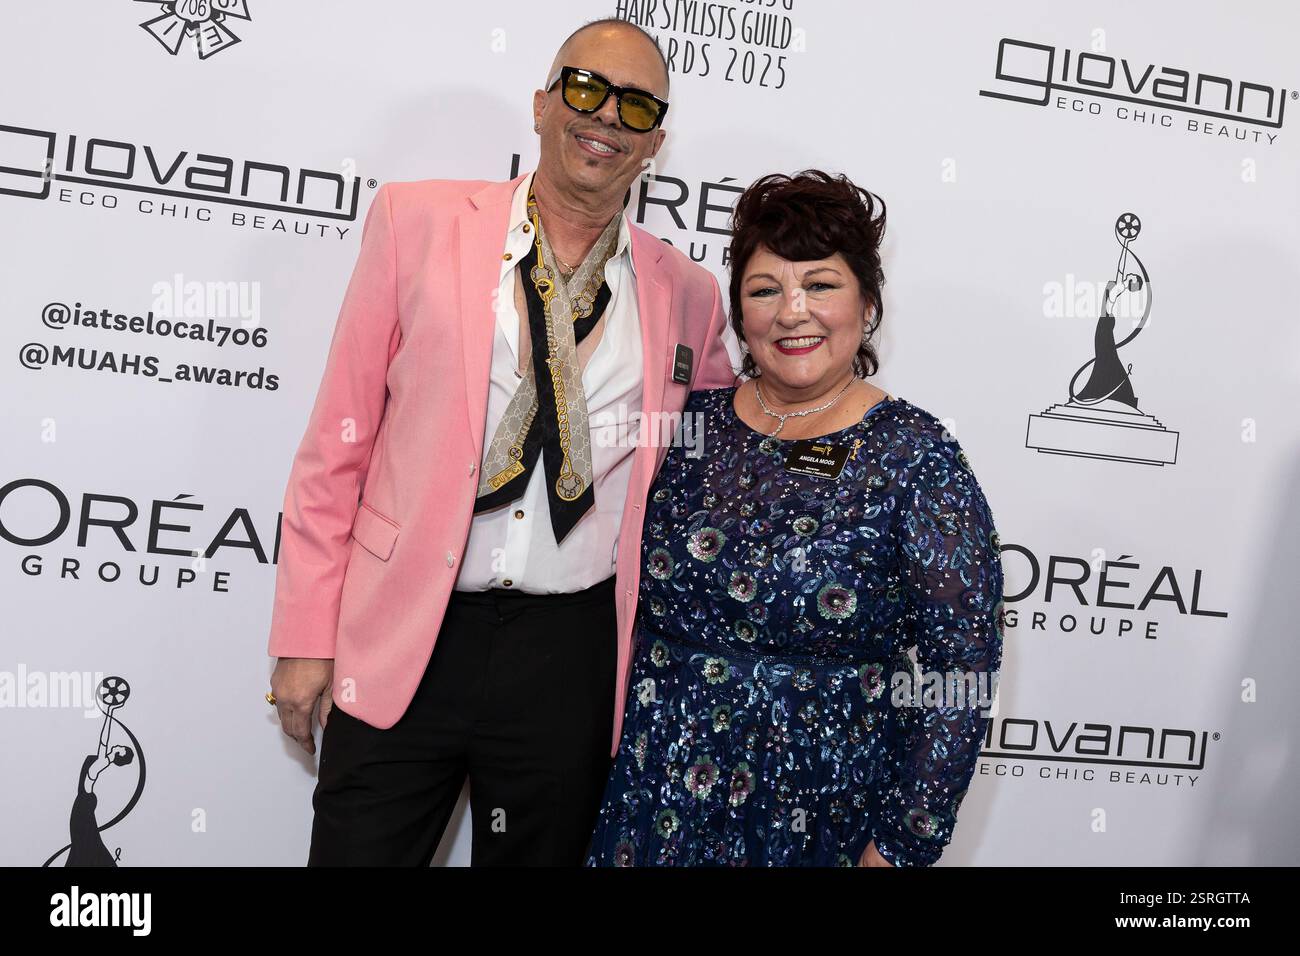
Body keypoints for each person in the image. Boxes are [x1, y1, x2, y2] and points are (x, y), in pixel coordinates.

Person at [265, 18, 736, 866]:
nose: (605, 117)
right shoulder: (418, 221)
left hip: (569, 657)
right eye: (585, 88)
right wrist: (305, 637)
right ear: (543, 101)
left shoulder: (690, 295)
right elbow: (338, 440)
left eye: (635, 106)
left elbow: (710, 457)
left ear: (656, 140)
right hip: (409, 626)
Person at [585, 169, 1006, 866]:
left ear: (867, 303)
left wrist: (902, 844)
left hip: (819, 816)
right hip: (652, 798)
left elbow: (958, 671)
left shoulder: (915, 457)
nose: (792, 312)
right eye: (764, 289)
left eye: (821, 285)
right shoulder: (690, 427)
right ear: (739, 313)